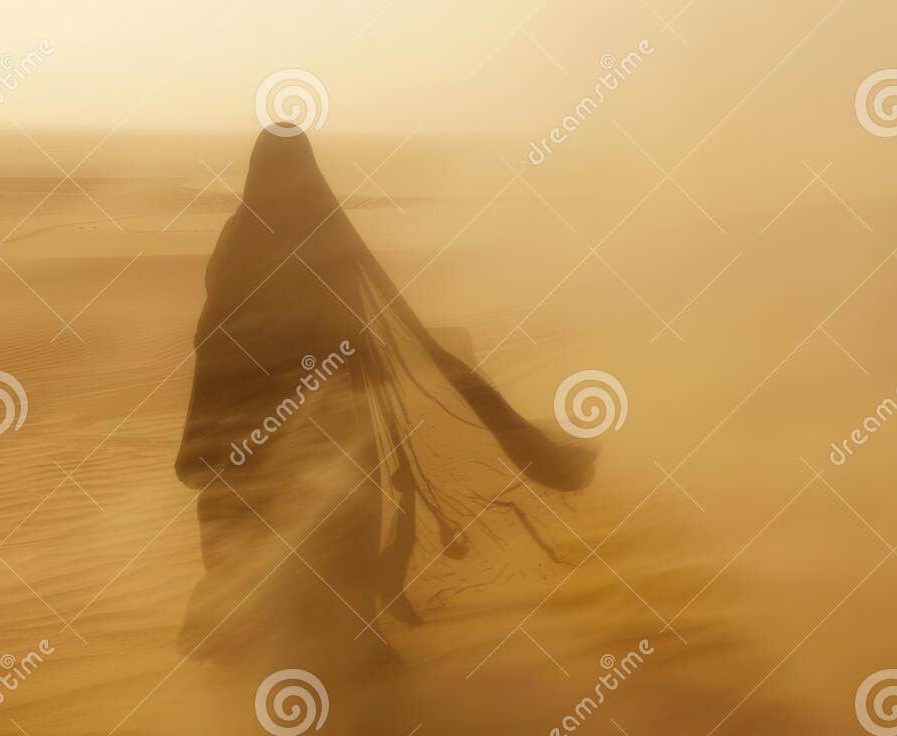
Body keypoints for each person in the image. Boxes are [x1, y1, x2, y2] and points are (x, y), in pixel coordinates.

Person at [175, 126, 593, 672]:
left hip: (272, 411)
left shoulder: (243, 236)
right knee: (327, 521)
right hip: (319, 411)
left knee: (279, 519)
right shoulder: (321, 233)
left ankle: (283, 645)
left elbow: (216, 332)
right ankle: (331, 646)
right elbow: (348, 324)